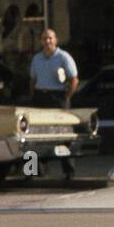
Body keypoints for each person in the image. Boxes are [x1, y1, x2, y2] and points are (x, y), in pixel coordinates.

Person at [29, 28, 79, 181]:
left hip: (58, 97)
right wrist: (33, 97)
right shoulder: (37, 58)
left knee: (63, 135)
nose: (47, 41)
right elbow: (32, 80)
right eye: (44, 38)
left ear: (55, 40)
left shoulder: (64, 57)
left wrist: (66, 97)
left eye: (50, 38)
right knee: (35, 137)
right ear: (40, 41)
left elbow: (74, 80)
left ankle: (69, 171)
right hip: (40, 97)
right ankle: (33, 171)